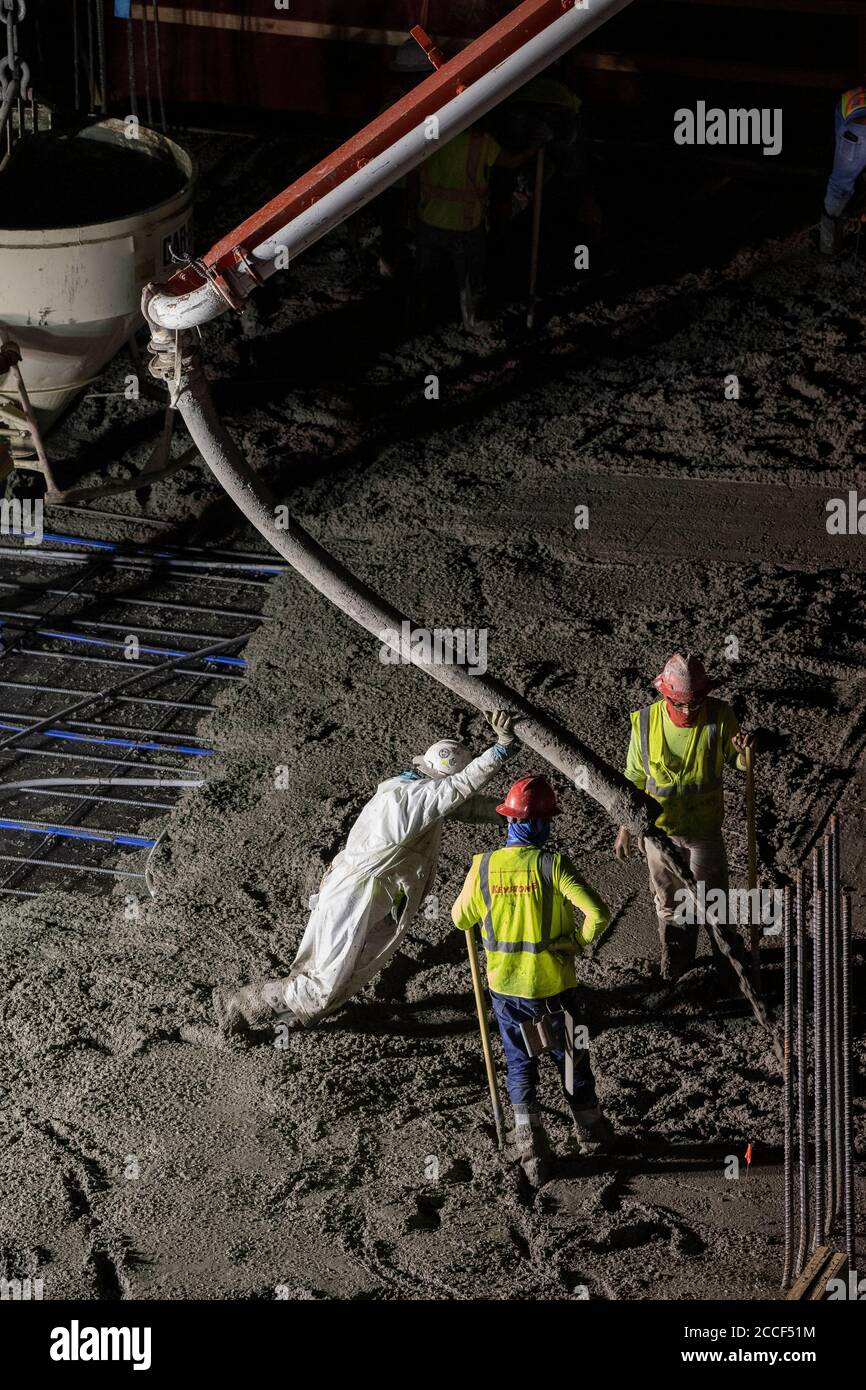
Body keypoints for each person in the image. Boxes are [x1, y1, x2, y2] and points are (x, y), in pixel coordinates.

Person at [215, 710, 516, 1036]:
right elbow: (460, 788)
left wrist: (510, 812)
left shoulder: (410, 790)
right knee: (325, 982)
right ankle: (245, 1005)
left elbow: (461, 803)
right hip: (357, 892)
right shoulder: (411, 801)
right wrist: (503, 747)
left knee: (340, 972)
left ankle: (278, 1024)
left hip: (365, 889)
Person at [451, 774, 612, 1186]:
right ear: (542, 825)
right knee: (573, 1057)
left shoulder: (483, 866)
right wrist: (576, 942)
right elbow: (599, 913)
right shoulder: (551, 864)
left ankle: (532, 1148)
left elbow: (459, 919)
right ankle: (591, 1133)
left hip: (507, 991)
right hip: (556, 987)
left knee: (519, 1064)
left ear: (508, 821)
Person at [614, 653, 754, 987]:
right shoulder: (646, 723)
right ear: (666, 695)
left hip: (704, 830)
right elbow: (632, 778)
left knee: (714, 899)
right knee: (670, 902)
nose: (690, 710)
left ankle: (728, 968)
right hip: (659, 833)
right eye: (681, 703)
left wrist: (745, 752)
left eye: (696, 703)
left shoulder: (720, 716)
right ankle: (676, 965)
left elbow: (740, 763)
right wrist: (626, 826)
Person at [820, 86, 866, 257]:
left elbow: (842, 137)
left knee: (840, 184)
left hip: (858, 129)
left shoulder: (850, 96)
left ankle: (828, 245)